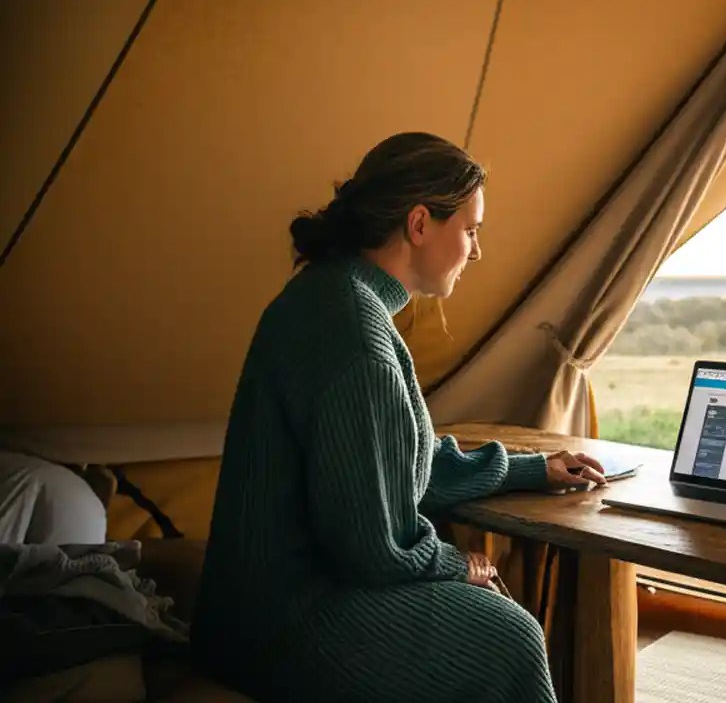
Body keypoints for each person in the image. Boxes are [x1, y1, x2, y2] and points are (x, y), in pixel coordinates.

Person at [192, 132, 607, 702]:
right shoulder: (359, 338)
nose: (477, 251)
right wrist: (458, 564)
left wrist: (532, 469)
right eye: (470, 230)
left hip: (249, 611)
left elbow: (396, 462)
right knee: (512, 636)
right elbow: (373, 546)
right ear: (419, 225)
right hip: (284, 623)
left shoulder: (328, 294)